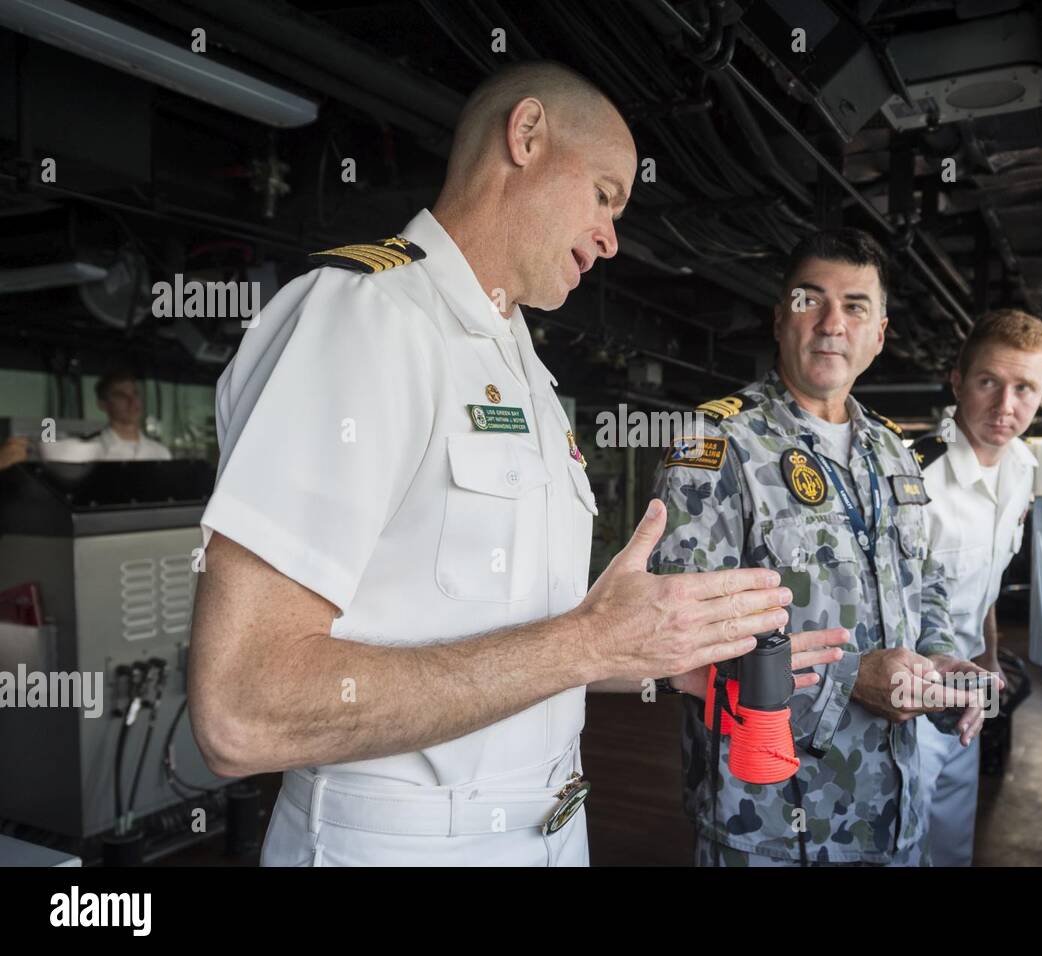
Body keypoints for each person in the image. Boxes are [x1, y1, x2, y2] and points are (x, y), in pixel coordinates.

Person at [186, 61, 843, 868]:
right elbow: (243, 708)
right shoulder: (367, 319)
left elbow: (504, 646)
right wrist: (591, 645)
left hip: (553, 824)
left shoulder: (522, 369)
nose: (611, 236)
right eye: (605, 194)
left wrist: (651, 653)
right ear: (525, 135)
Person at [649, 228, 995, 867]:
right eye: (811, 300)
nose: (833, 323)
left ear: (880, 332)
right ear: (781, 318)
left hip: (893, 813)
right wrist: (850, 680)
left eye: (856, 305)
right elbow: (677, 637)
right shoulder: (715, 445)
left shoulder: (894, 451)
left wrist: (942, 662)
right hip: (771, 822)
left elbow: (923, 584)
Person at [911, 308, 1042, 866]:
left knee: (950, 844)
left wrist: (990, 661)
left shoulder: (1020, 468)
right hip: (911, 694)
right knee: (900, 846)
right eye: (988, 382)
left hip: (970, 690)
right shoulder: (914, 477)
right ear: (957, 381)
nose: (1005, 406)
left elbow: (987, 583)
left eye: (1024, 388)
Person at [88, 370, 172, 461]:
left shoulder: (160, 453)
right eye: (121, 396)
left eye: (135, 393)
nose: (132, 401)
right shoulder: (90, 453)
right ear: (102, 405)